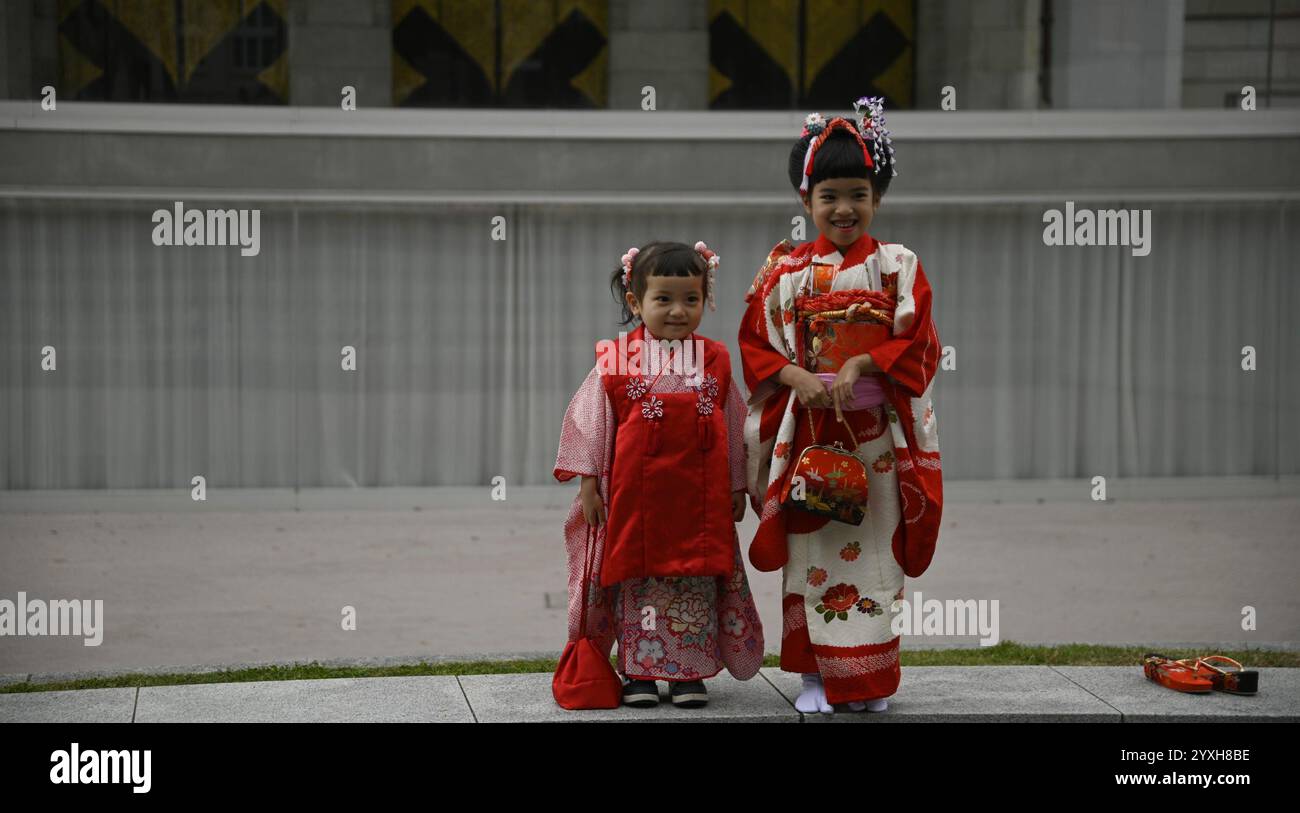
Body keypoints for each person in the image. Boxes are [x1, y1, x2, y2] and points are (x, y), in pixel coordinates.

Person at [738, 98, 943, 714]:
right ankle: (814, 679)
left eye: (858, 193)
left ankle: (870, 680)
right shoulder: (785, 271)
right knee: (810, 552)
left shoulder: (897, 266)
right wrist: (796, 374)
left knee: (876, 555)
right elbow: (756, 342)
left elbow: (921, 340)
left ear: (876, 195)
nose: (844, 208)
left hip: (875, 434)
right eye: (828, 196)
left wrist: (864, 362)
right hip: (810, 434)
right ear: (807, 202)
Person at [554, 240, 764, 708]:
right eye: (663, 299)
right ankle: (639, 673)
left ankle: (689, 674)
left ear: (706, 297)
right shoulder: (617, 358)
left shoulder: (715, 358)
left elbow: (733, 424)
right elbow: (593, 418)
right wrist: (589, 482)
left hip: (698, 500)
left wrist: (736, 483)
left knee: (695, 581)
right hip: (635, 499)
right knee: (638, 581)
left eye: (690, 299)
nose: (677, 311)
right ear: (636, 302)